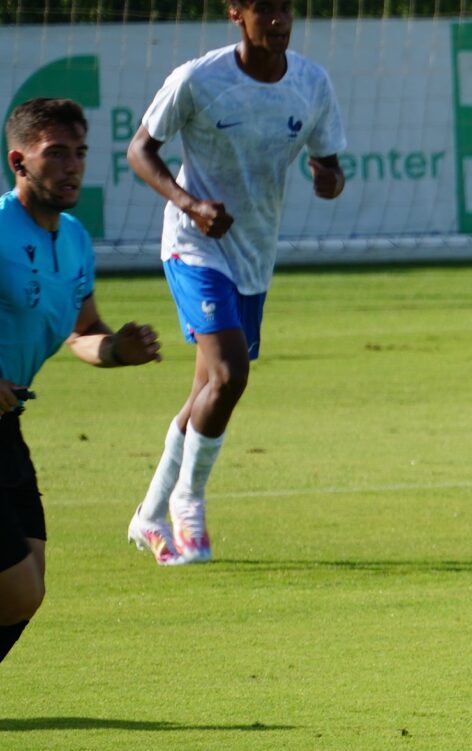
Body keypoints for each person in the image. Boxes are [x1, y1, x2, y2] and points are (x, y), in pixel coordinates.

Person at [125, 0, 346, 565]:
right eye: (264, 8)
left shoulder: (312, 84)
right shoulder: (199, 80)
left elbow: (330, 163)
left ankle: (148, 514)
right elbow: (141, 150)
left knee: (206, 391)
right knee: (229, 374)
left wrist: (329, 178)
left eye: (286, 8)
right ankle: (188, 504)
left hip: (253, 255)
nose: (279, 20)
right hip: (192, 244)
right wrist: (190, 204)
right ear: (235, 15)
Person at [1, 99, 163, 668]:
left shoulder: (73, 237)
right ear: (19, 162)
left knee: (28, 587)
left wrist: (117, 348)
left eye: (81, 153)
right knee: (17, 589)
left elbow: (81, 329)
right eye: (57, 153)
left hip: (6, 429)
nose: (73, 166)